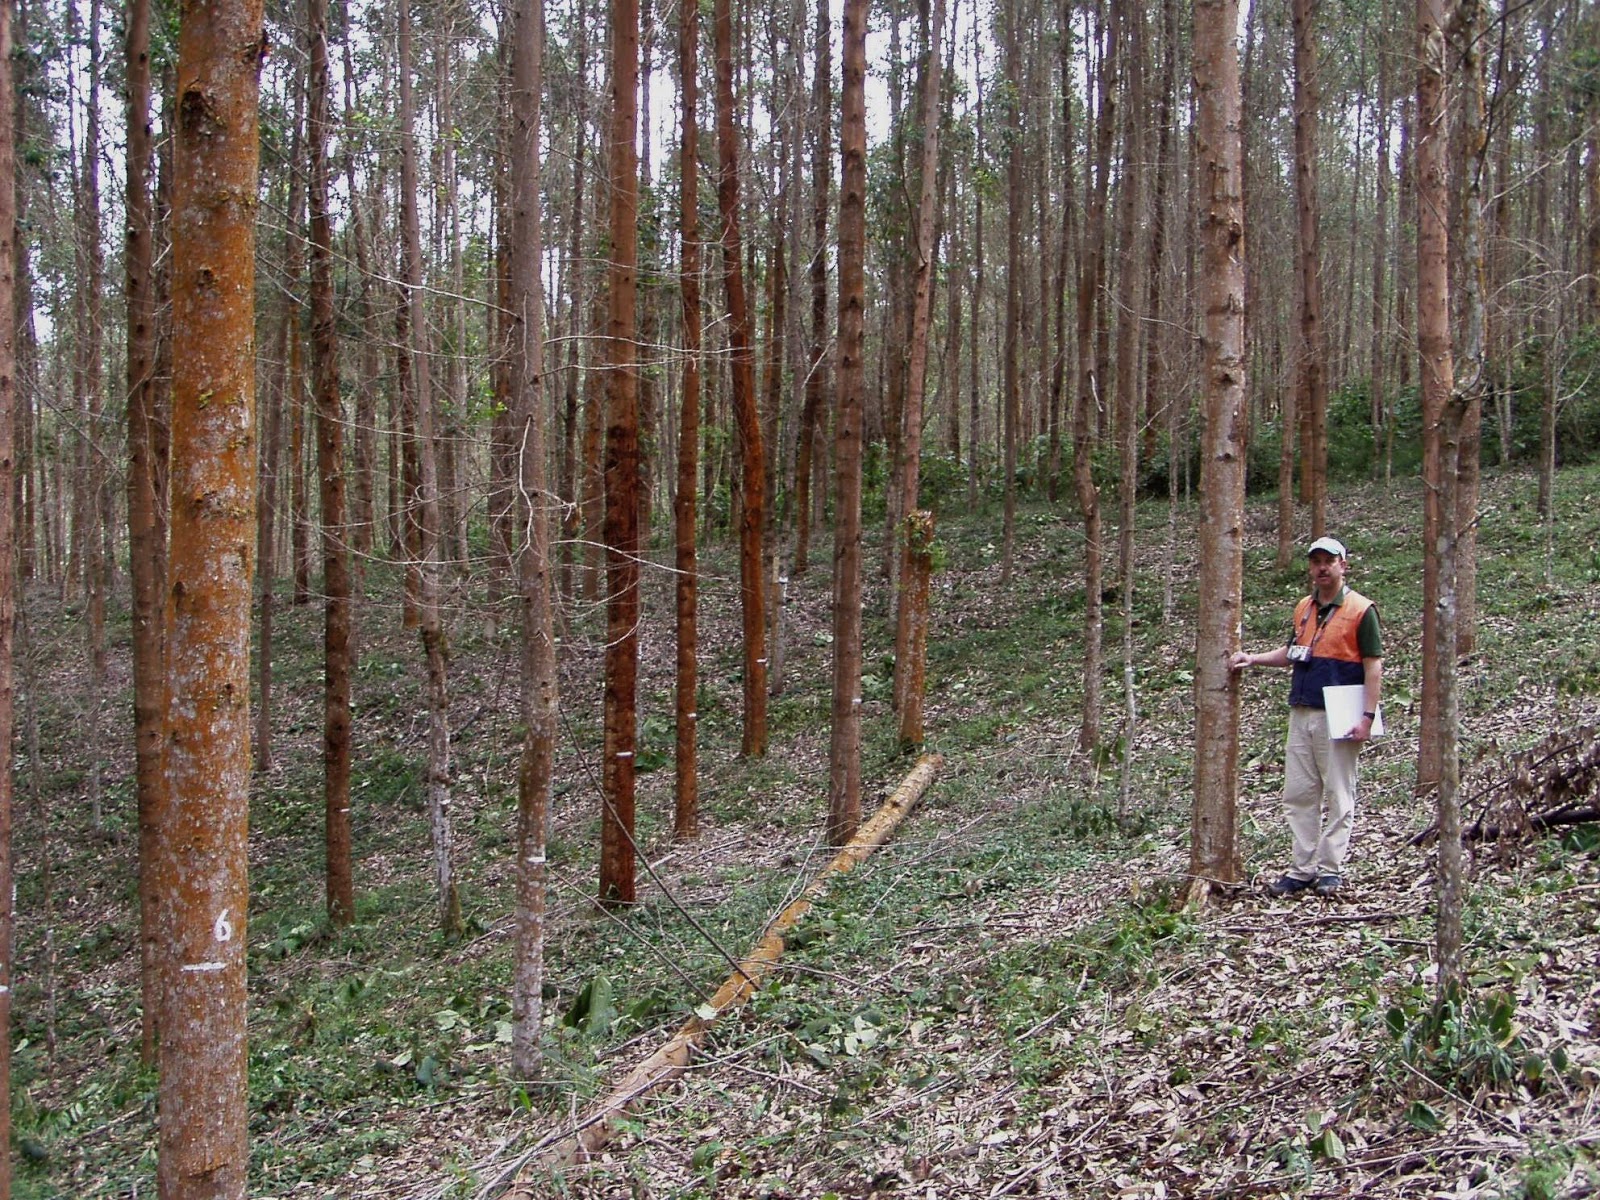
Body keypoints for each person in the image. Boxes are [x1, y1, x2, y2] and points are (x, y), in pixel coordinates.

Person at [1229, 536, 1383, 898]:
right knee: (1299, 794)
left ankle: (1331, 869)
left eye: (1329, 561)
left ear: (1343, 565)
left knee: (1339, 793)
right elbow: (1293, 652)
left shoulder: (1362, 610)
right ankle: (1302, 869)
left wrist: (1367, 717)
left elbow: (1373, 667)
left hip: (1340, 714)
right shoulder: (1305, 608)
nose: (1322, 568)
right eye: (1316, 562)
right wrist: (1253, 659)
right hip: (1302, 711)